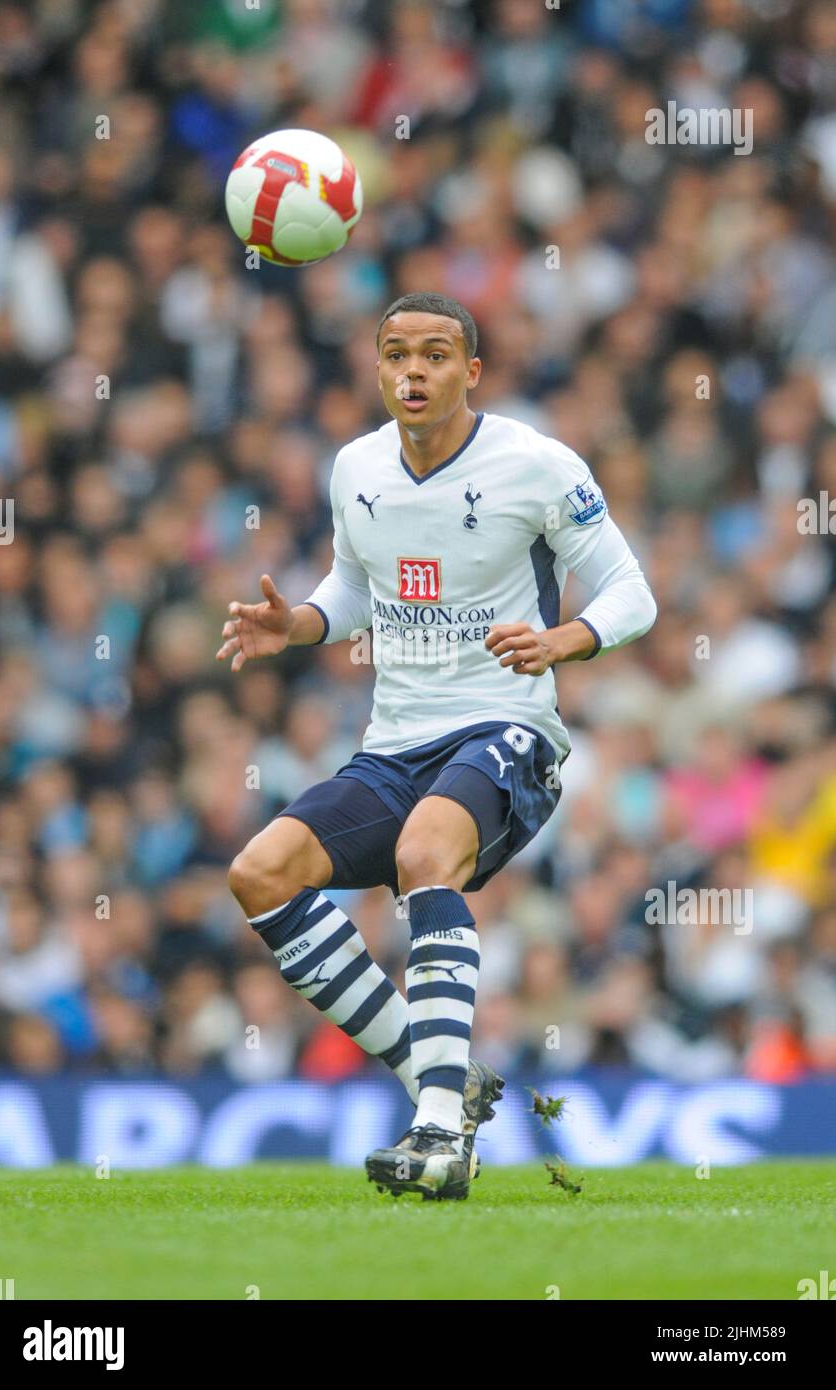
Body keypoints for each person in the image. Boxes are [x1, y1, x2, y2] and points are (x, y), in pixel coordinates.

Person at [217, 291, 657, 1199]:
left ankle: (438, 1136)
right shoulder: (355, 468)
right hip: (395, 742)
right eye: (394, 354)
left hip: (507, 727)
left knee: (425, 853)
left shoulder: (534, 464)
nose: (411, 372)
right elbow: (349, 591)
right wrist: (294, 624)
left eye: (433, 355)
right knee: (260, 873)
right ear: (376, 368)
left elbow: (630, 590)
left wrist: (563, 640)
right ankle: (441, 1076)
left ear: (471, 372)